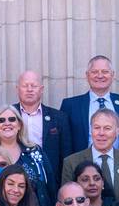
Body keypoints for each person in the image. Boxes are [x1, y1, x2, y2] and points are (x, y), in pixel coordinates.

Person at [62, 107, 119, 206]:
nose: (101, 133)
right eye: (97, 128)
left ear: (117, 131)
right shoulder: (71, 162)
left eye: (107, 128)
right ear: (91, 130)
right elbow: (67, 202)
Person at [59, 54, 119, 153]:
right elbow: (64, 142)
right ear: (87, 75)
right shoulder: (70, 105)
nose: (100, 76)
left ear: (112, 75)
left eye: (105, 72)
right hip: (82, 165)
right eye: (94, 72)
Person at [13, 70, 74, 198]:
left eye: (34, 86)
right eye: (25, 86)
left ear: (41, 89)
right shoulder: (7, 116)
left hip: (48, 184)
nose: (29, 89)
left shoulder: (59, 118)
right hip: (13, 183)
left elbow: (66, 156)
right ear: (17, 89)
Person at [0, 105, 56, 206]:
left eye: (12, 119)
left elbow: (50, 186)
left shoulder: (35, 152)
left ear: (19, 125)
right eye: (1, 120)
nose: (7, 123)